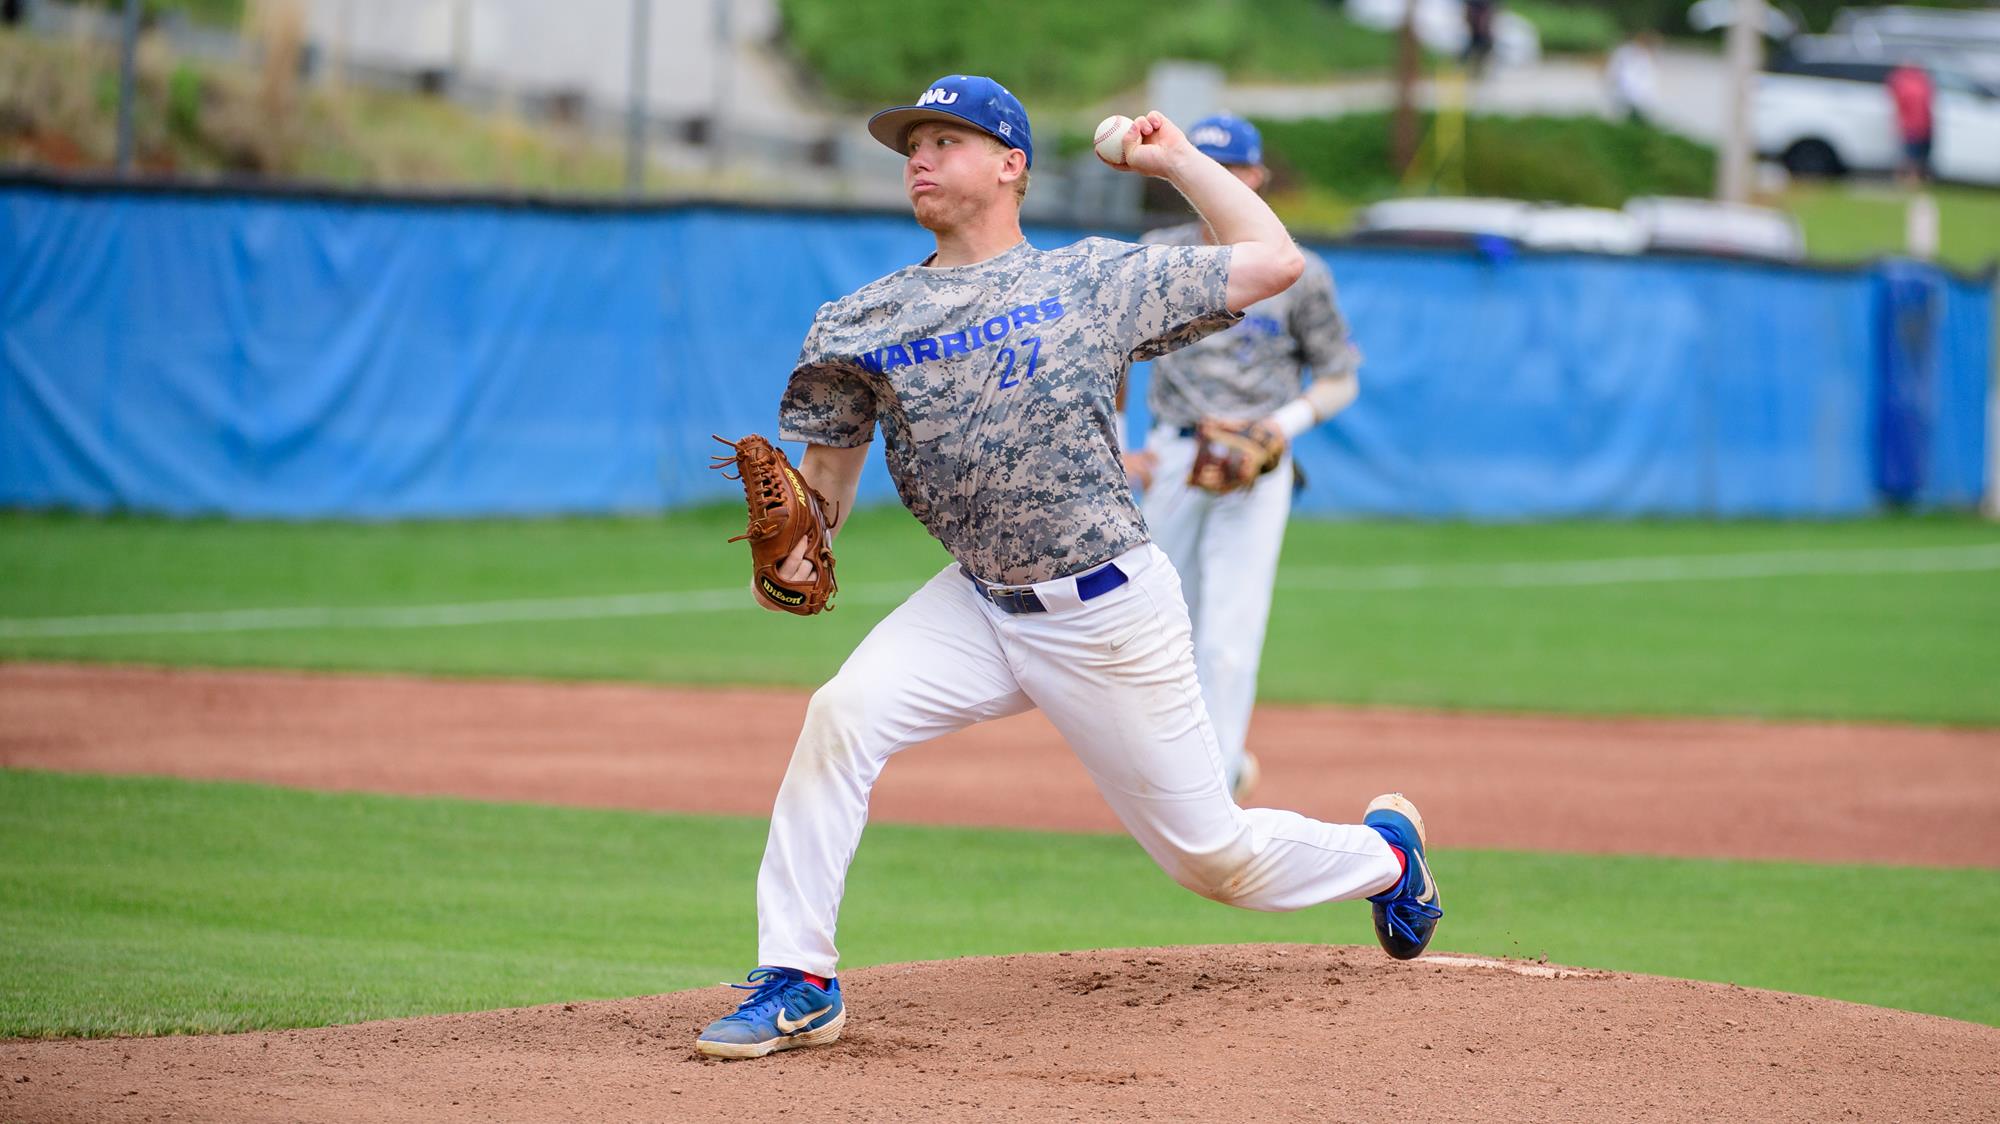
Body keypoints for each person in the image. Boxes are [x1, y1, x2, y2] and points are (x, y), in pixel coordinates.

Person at [693, 73, 1442, 1060]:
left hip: (1106, 606)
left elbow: (1271, 260)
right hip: (974, 601)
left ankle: (1384, 857)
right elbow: (823, 493)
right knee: (842, 711)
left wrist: (1175, 159)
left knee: (1211, 857)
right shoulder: (857, 321)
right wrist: (800, 531)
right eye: (909, 143)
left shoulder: (1091, 279)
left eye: (943, 139)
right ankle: (798, 975)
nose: (918, 156)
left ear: (1009, 164)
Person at [1121, 113, 1360, 804]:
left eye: (1234, 168)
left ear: (1256, 178)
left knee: (1229, 633)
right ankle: (1175, 770)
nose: (1220, 179)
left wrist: (1277, 428)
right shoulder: (1156, 254)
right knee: (1161, 626)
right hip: (1173, 452)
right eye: (1204, 164)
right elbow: (1112, 353)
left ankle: (1212, 787)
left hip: (1256, 464)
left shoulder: (1299, 270)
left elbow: (1340, 377)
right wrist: (1117, 439)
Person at [1886, 61, 1935, 187]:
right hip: (1910, 125)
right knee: (1910, 155)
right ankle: (1908, 180)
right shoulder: (1903, 83)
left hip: (1923, 125)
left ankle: (1915, 179)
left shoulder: (1921, 82)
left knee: (1918, 155)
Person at [1605, 30, 1663, 125]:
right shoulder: (1625, 53)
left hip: (1639, 96)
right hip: (1625, 93)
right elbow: (1615, 71)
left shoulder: (1645, 56)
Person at [1463, 0, 1499, 77]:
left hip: (1482, 34)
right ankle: (1474, 70)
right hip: (1477, 33)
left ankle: (1478, 71)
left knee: (1483, 46)